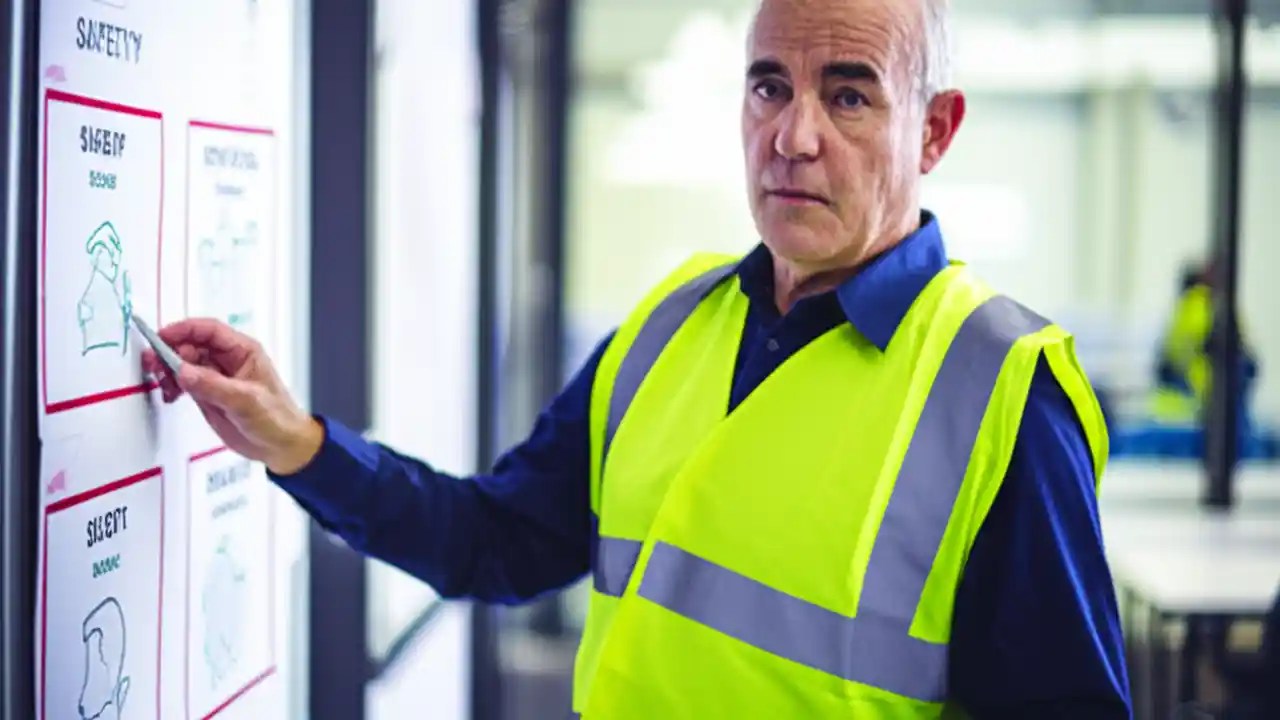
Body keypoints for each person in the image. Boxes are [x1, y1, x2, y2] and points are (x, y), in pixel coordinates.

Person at [146, 0, 1131, 716]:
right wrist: (300, 445)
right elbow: (496, 540)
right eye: (767, 86)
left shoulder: (999, 389)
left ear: (934, 128)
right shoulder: (672, 323)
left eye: (847, 97)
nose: (792, 136)